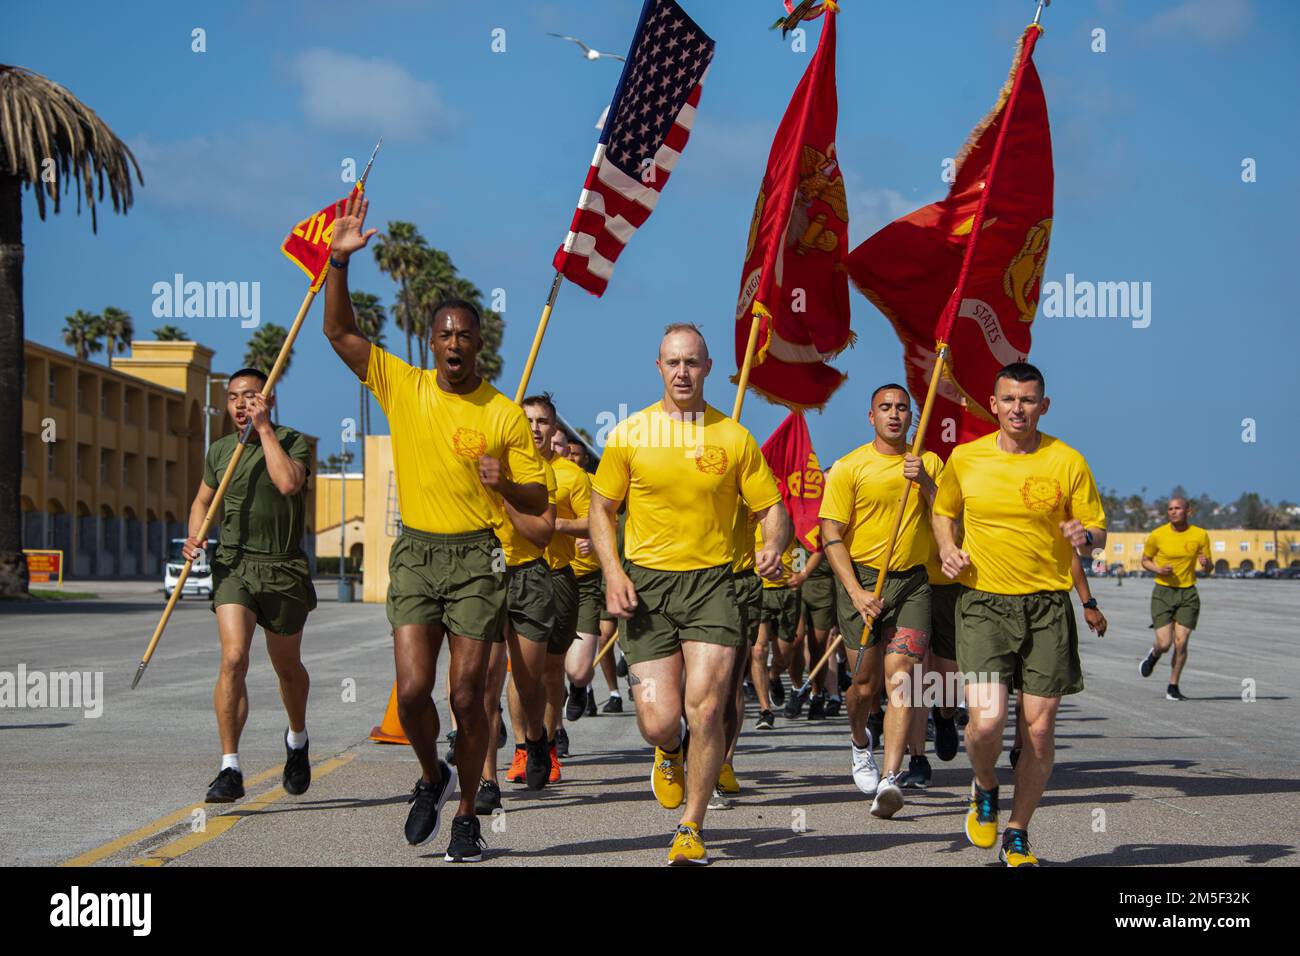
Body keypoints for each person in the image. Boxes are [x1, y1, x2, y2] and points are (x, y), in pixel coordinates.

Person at [325, 192, 548, 862]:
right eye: (445, 334)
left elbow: (536, 499)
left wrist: (501, 481)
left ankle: (466, 818)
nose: (455, 343)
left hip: (478, 559)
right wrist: (338, 264)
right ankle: (431, 775)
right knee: (416, 691)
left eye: (466, 334)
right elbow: (339, 334)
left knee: (467, 695)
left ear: (481, 343)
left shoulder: (504, 415)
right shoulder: (404, 386)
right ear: (432, 341)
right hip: (417, 555)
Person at [590, 323, 790, 865]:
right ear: (659, 368)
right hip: (647, 585)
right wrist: (613, 572)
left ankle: (691, 826)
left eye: (693, 362)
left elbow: (772, 508)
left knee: (706, 710)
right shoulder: (630, 434)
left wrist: (773, 542)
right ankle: (667, 749)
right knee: (659, 719)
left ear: (707, 368)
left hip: (713, 586)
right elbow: (600, 509)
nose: (683, 372)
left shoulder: (734, 437)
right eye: (673, 362)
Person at [932, 362, 1106, 867]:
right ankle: (985, 785)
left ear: (1043, 405)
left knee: (1039, 731)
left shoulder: (1067, 460)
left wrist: (1086, 539)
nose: (1018, 408)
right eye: (1008, 399)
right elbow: (943, 512)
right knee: (985, 723)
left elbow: (1097, 528)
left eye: (1028, 400)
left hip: (1048, 607)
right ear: (993, 403)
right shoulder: (965, 459)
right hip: (984, 603)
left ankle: (1017, 832)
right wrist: (947, 548)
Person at [187, 370, 316, 805]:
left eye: (250, 397)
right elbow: (203, 501)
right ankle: (229, 766)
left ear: (268, 398)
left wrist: (263, 430)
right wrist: (195, 535)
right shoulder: (220, 451)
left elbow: (287, 483)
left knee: (287, 667)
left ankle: (297, 739)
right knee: (234, 658)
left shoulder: (292, 441)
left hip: (282, 569)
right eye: (233, 398)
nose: (240, 405)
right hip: (234, 565)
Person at [820, 384, 942, 820]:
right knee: (864, 687)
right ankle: (859, 743)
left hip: (911, 582)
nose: (895, 415)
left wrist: (925, 482)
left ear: (912, 417)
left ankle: (890, 779)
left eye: (902, 408)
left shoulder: (929, 463)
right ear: (871, 417)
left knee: (902, 678)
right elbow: (830, 535)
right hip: (863, 581)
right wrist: (856, 593)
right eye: (885, 408)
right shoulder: (850, 467)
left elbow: (947, 517)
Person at [1138, 497, 1212, 700]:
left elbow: (1209, 568)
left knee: (1181, 643)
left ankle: (1173, 686)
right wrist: (1159, 569)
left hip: (1188, 593)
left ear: (1189, 511)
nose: (1173, 512)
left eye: (1177, 508)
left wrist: (1206, 564)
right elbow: (1145, 561)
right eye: (1170, 509)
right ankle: (1154, 655)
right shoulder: (1158, 535)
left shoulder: (1200, 535)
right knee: (1164, 643)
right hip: (1163, 592)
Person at [751, 528, 800, 730]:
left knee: (785, 654)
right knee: (758, 650)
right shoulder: (751, 512)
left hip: (787, 590)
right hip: (759, 588)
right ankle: (765, 710)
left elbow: (800, 545)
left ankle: (773, 676)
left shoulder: (787, 512)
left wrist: (800, 573)